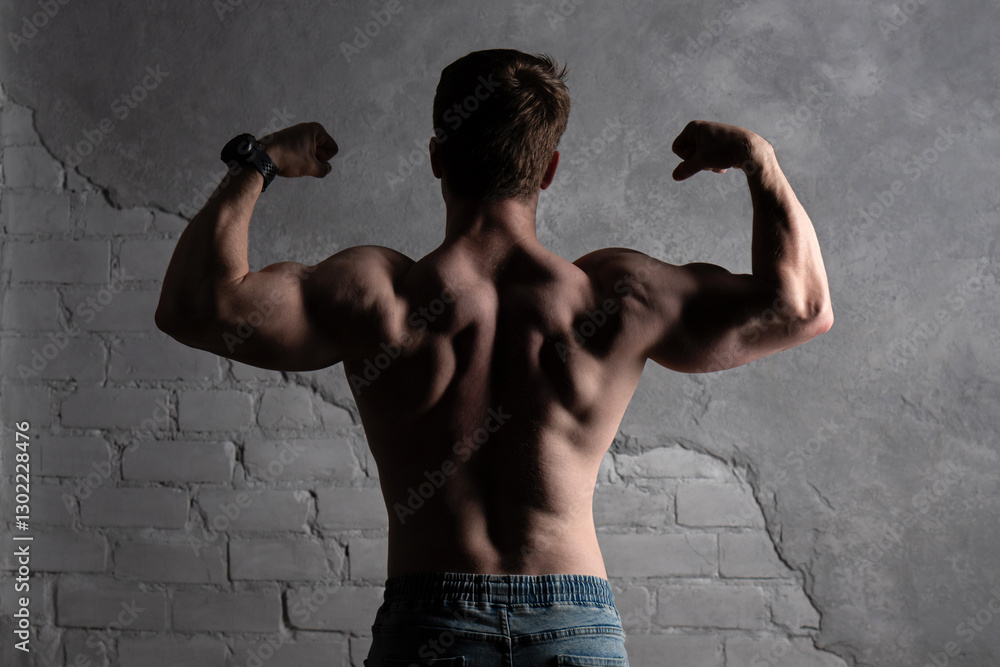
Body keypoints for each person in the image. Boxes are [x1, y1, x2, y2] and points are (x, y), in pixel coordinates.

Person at [156, 48, 832, 666]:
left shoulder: (375, 294)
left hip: (431, 625)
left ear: (436, 158)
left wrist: (261, 161)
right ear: (549, 168)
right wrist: (758, 160)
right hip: (574, 626)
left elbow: (194, 306)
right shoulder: (617, 295)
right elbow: (801, 307)